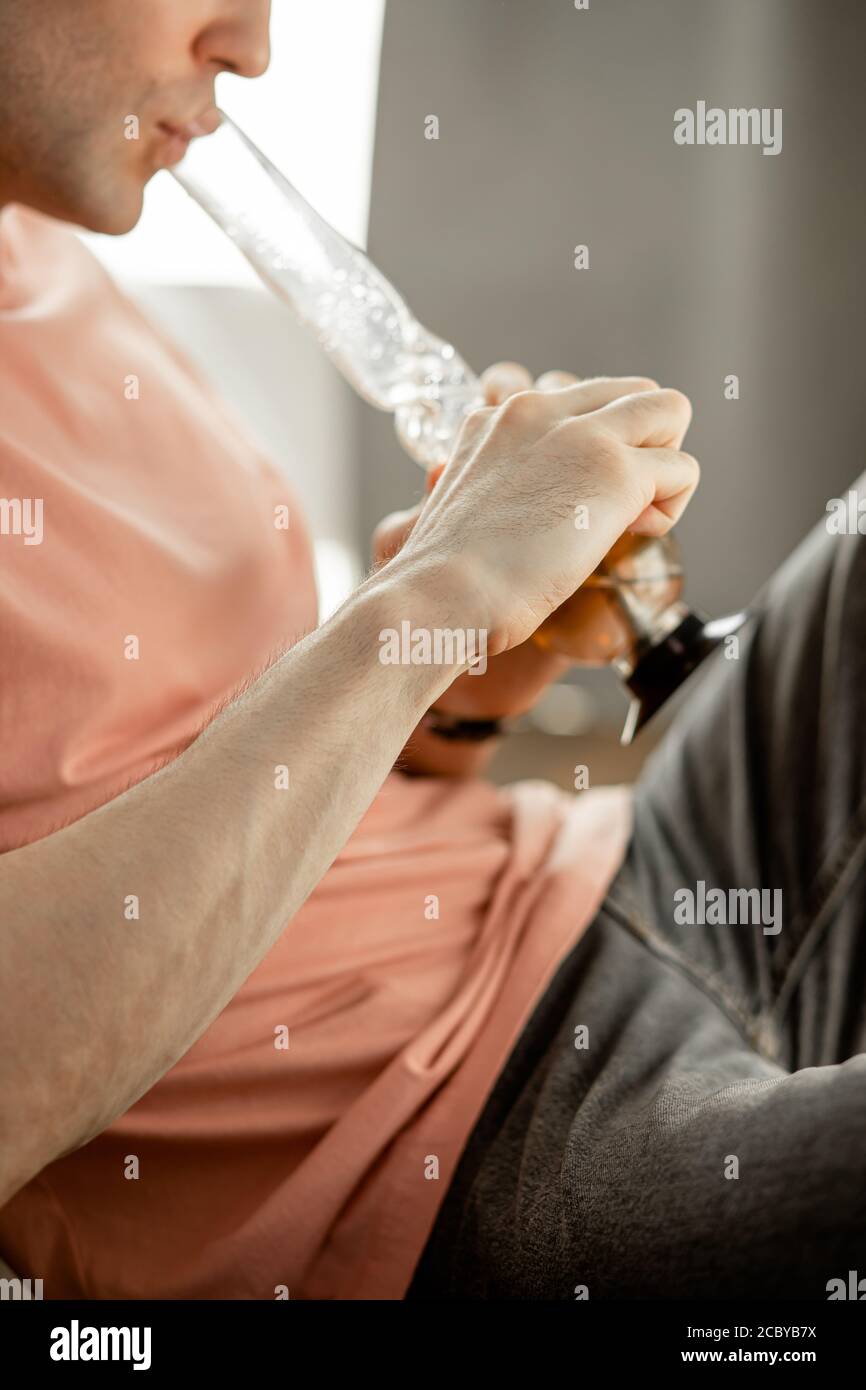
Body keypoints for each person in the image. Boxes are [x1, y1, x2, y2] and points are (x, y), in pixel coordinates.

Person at [0, 1, 862, 1302]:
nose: (252, 43)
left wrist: (459, 685)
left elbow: (250, 789)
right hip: (477, 1155)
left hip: (609, 881)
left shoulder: (52, 243)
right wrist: (422, 599)